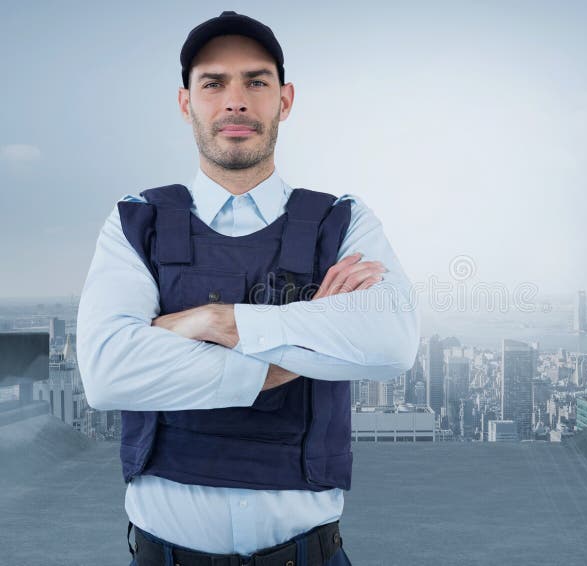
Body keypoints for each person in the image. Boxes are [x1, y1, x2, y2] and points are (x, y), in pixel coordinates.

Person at [76, 10, 420, 566]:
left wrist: (214, 321)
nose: (235, 101)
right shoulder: (136, 222)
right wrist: (311, 337)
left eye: (256, 82)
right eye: (213, 84)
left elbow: (391, 343)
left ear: (285, 100)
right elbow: (106, 374)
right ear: (186, 102)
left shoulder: (344, 221)